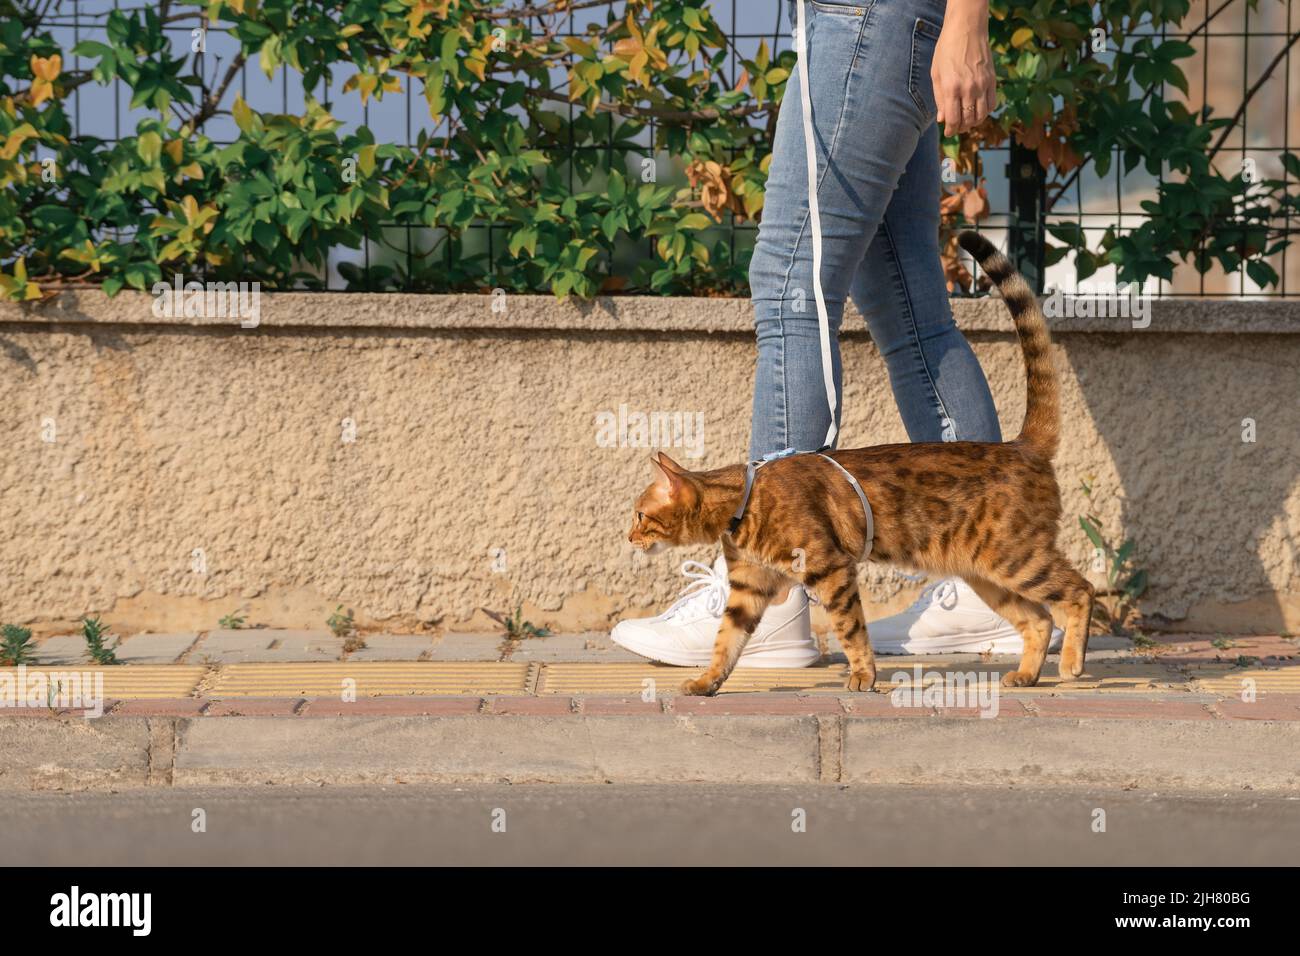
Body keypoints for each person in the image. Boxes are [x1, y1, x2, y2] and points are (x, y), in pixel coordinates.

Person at [613, 0, 1056, 667]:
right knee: (906, 306)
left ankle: (774, 597)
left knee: (792, 282)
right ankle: (985, 584)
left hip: (865, 22)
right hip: (866, 23)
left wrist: (968, 19)